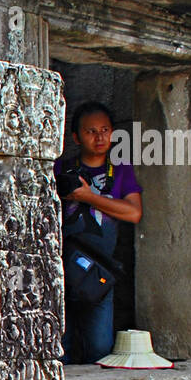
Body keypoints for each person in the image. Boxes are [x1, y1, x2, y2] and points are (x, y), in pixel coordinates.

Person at [54, 101, 143, 363]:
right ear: (76, 137)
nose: (99, 137)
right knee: (60, 344)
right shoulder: (61, 169)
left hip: (101, 272)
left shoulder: (121, 170)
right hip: (63, 267)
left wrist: (89, 196)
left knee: (100, 345)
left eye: (105, 130)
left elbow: (133, 212)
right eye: (91, 131)